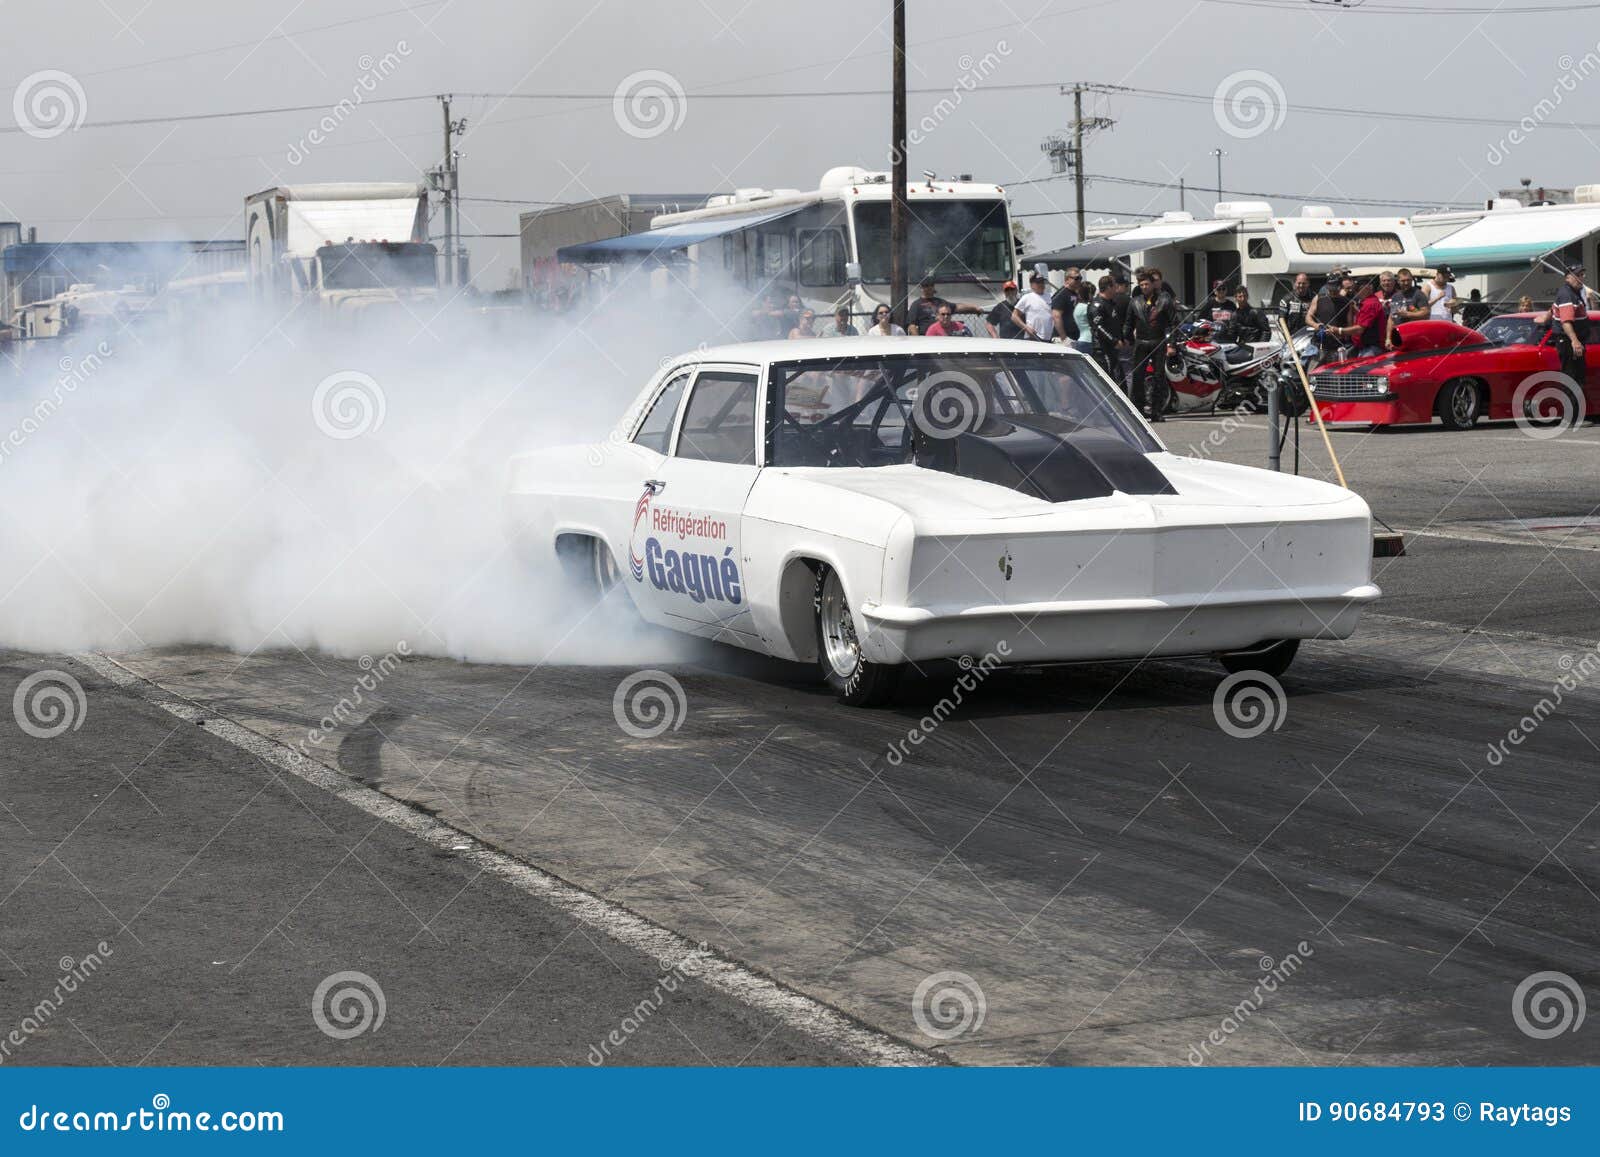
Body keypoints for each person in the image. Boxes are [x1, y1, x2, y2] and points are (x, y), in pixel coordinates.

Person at [1125, 268, 1179, 421]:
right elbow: (1128, 324)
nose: (1144, 287)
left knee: (1158, 377)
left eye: (1146, 284)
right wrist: (1127, 339)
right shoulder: (1135, 301)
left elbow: (1172, 323)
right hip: (1140, 343)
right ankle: (1138, 410)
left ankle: (1157, 411)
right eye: (1141, 285)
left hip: (1158, 341)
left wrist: (1171, 344)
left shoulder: (1164, 299)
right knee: (1138, 376)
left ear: (1152, 284)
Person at [1537, 262, 1590, 402]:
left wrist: (1545, 318)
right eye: (1577, 275)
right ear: (1567, 278)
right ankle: (1570, 417)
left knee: (1576, 377)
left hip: (1572, 341)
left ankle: (1576, 414)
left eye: (1582, 275)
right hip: (1568, 342)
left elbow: (1554, 307)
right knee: (1572, 378)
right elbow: (1566, 322)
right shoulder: (1568, 295)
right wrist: (1575, 341)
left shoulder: (1572, 292)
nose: (1581, 278)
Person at [907, 276, 980, 335]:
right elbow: (912, 326)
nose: (929, 288)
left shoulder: (940, 302)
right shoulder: (916, 304)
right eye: (926, 286)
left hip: (943, 335)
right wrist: (919, 342)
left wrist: (974, 307)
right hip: (926, 337)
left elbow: (957, 307)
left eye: (931, 285)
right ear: (921, 288)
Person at [1349, 279, 1388, 358]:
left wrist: (1339, 330)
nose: (1356, 293)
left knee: (1366, 370)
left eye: (1357, 290)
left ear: (1365, 288)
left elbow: (1360, 328)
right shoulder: (1368, 302)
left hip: (1371, 349)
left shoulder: (1370, 304)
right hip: (1365, 348)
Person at [1012, 272, 1054, 341]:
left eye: (1042, 282)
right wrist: (1026, 328)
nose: (1041, 284)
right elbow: (1014, 316)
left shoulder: (1051, 296)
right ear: (1031, 285)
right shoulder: (1027, 297)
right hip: (1033, 336)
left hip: (1050, 338)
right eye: (1038, 283)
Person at [1050, 267, 1084, 343]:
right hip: (1063, 337)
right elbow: (1056, 316)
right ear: (1067, 279)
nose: (1079, 281)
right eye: (1076, 278)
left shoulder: (1075, 294)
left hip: (1075, 336)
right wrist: (1064, 338)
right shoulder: (1062, 294)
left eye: (1080, 278)